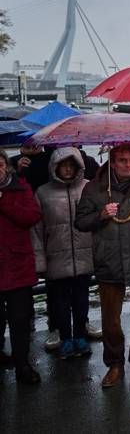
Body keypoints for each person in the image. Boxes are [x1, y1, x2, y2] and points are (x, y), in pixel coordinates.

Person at [75, 144, 130, 388]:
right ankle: (114, 364)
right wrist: (101, 215)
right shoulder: (94, 188)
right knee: (111, 319)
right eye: (123, 160)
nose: (128, 164)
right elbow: (80, 222)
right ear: (112, 162)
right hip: (109, 259)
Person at [32, 148, 93, 360]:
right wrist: (39, 261)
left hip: (84, 256)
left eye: (71, 165)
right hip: (56, 257)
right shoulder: (42, 192)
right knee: (60, 302)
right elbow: (36, 230)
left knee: (82, 299)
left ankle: (80, 336)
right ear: (55, 167)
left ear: (78, 167)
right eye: (63, 165)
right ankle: (66, 338)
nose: (67, 169)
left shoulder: (88, 187)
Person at [0, 151, 43, 384]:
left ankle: (22, 364)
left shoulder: (20, 187)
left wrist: (3, 200)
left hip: (17, 264)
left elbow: (31, 217)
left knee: (20, 318)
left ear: (6, 166)